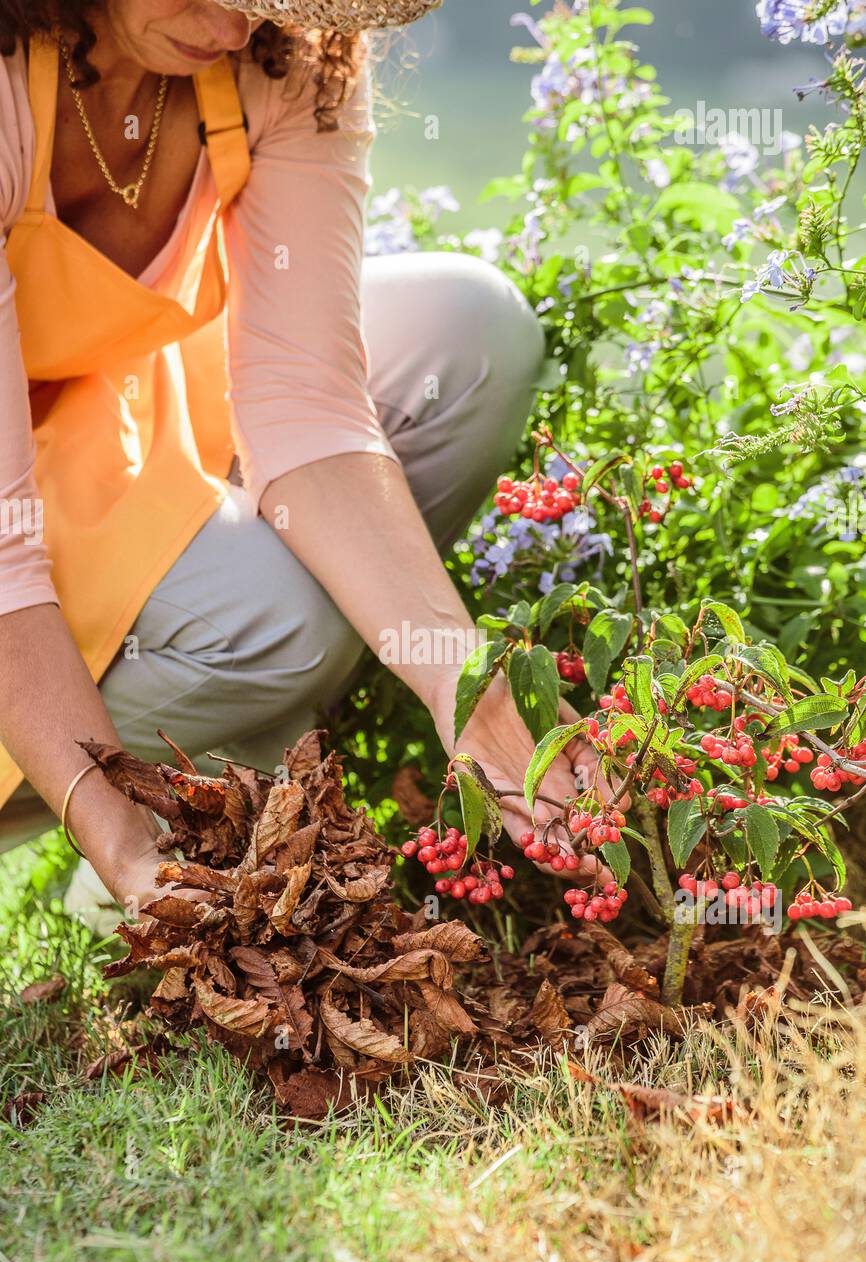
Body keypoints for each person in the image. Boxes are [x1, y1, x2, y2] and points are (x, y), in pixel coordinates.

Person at [0, 0, 604, 912]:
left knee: (470, 336)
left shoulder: (288, 56)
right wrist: (126, 845)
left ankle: (226, 798)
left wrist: (464, 685)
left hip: (107, 407)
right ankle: (119, 823)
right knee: (280, 615)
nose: (237, 24)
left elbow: (308, 407)